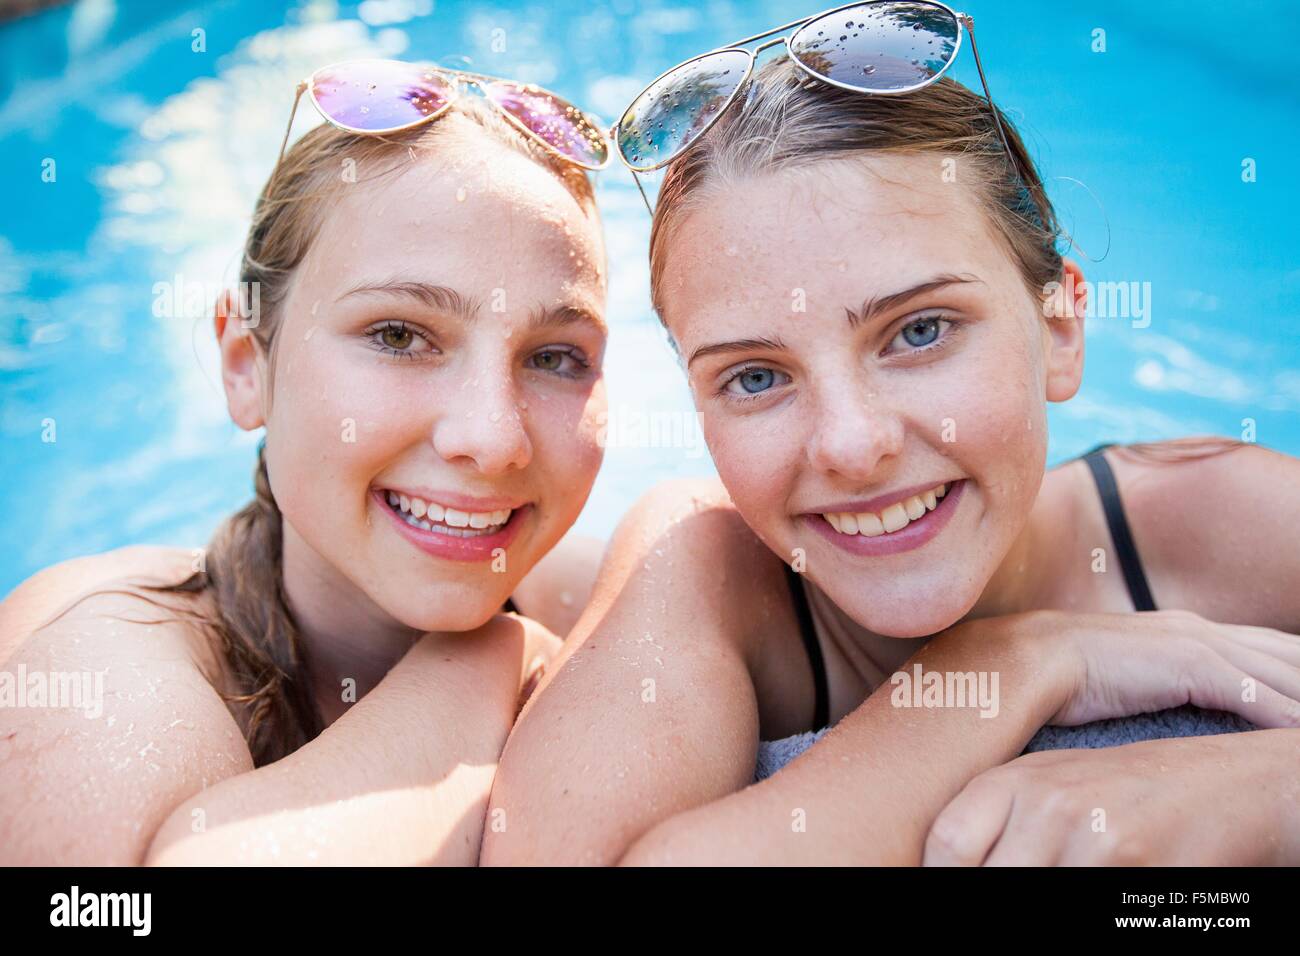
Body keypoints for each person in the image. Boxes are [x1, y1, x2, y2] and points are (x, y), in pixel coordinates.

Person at [483, 55, 1300, 866]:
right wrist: (1012, 663)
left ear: (1058, 327)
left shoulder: (1222, 523)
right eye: (757, 377)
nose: (852, 446)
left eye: (919, 331)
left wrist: (1266, 785)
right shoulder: (706, 566)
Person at [0, 61, 611, 865]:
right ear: (247, 363)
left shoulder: (620, 597)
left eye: (556, 356)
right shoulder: (104, 665)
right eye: (398, 334)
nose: (494, 439)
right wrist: (482, 671)